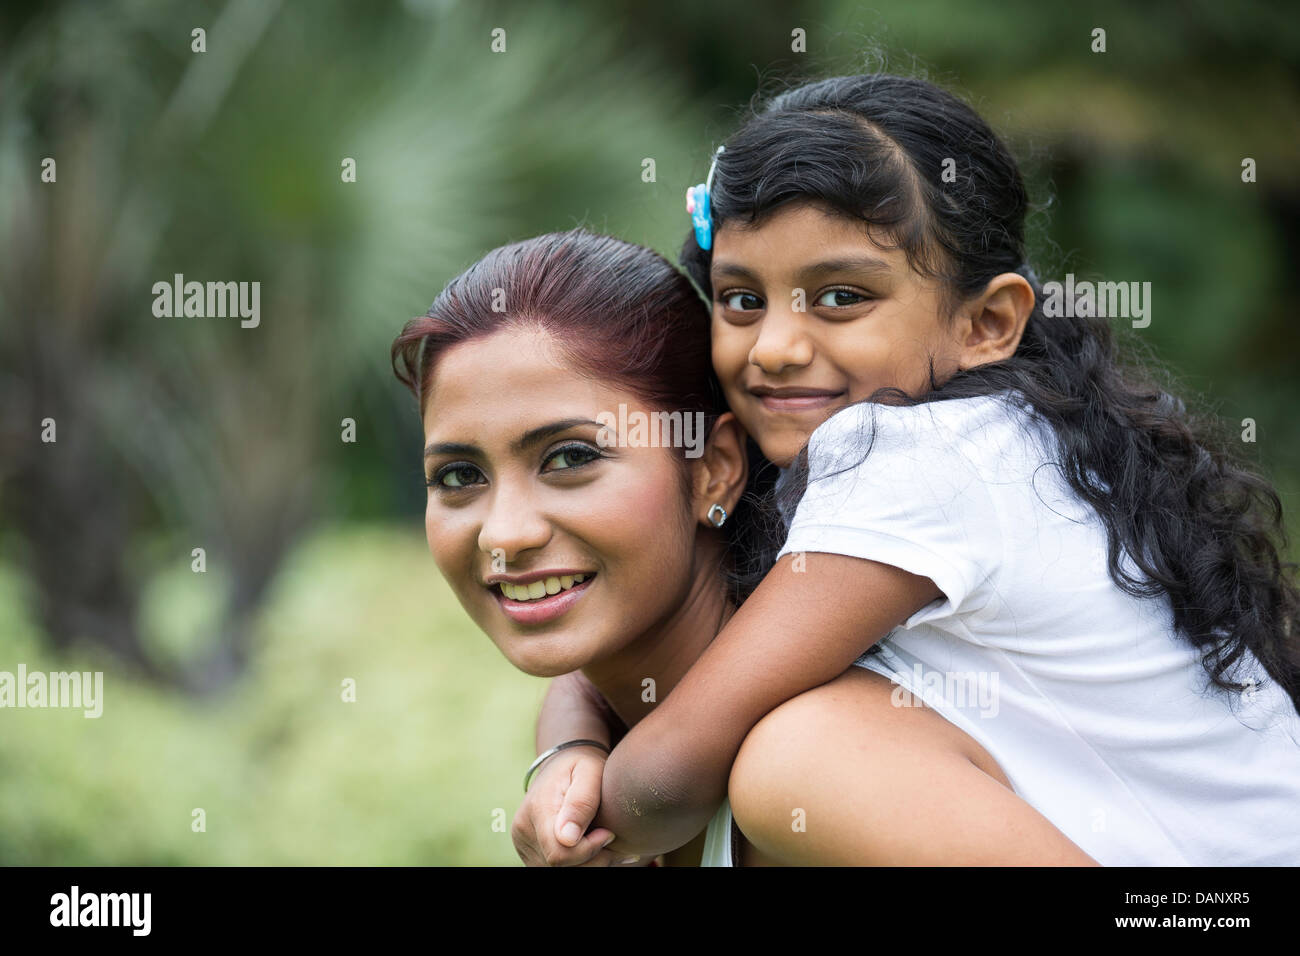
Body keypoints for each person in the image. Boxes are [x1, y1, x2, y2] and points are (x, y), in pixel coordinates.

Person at [517, 72, 1300, 866]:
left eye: (841, 297)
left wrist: (578, 819)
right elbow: (617, 667)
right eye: (742, 300)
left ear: (987, 322)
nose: (775, 348)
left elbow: (676, 762)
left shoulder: (924, 457)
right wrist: (571, 745)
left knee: (800, 756)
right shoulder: (1009, 435)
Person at [393, 227, 1095, 867]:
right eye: (458, 476)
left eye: (571, 458)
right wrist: (568, 747)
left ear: (712, 470)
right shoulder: (606, 757)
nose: (507, 534)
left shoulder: (820, 761)